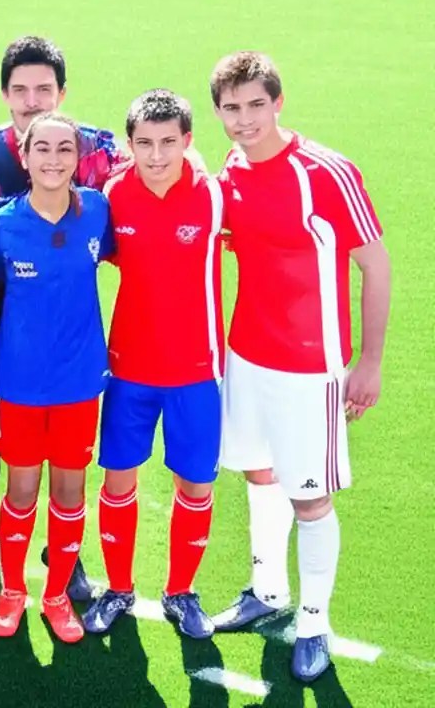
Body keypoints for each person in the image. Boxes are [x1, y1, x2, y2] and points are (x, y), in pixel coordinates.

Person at [206, 52, 390, 683]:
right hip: (246, 355)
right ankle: (268, 592)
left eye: (256, 104)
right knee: (259, 474)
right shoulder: (230, 167)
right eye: (232, 108)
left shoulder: (327, 173)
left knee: (310, 498)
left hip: (314, 368)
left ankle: (313, 622)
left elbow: (377, 266)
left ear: (278, 103)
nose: (245, 119)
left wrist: (369, 361)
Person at [0, 35, 130, 594]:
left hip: (67, 337)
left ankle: (63, 559)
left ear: (62, 93)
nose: (32, 99)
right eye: (20, 90)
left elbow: (145, 162)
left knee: (65, 470)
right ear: (5, 94)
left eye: (44, 89)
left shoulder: (96, 150)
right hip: (3, 331)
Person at [81, 90, 223, 640]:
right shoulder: (114, 196)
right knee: (119, 482)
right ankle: (119, 588)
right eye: (145, 143)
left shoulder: (215, 197)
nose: (157, 155)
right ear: (130, 145)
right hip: (129, 370)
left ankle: (181, 592)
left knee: (196, 486)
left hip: (197, 372)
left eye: (169, 142)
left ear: (188, 140)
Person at [0, 113, 112, 644]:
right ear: (25, 158)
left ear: (78, 158)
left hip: (79, 380)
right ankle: (14, 590)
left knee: (69, 489)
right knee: (22, 487)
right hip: (21, 380)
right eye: (43, 150)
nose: (54, 159)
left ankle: (57, 595)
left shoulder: (98, 211)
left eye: (65, 149)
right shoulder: (0, 223)